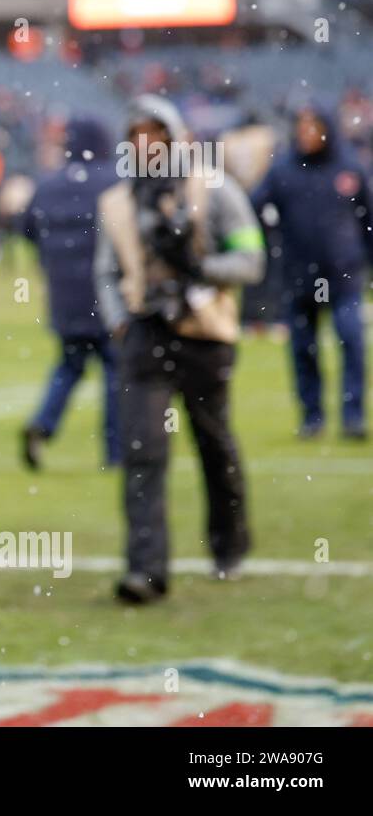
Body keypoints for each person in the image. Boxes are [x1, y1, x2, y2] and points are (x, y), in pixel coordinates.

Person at [95, 95, 265, 604]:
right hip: (145, 335)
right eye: (138, 135)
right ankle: (146, 571)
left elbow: (251, 258)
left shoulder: (215, 190)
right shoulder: (117, 202)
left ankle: (228, 546)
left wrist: (204, 272)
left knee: (214, 443)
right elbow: (106, 272)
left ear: (175, 138)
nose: (146, 144)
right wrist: (120, 322)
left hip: (204, 334)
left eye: (156, 134)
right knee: (144, 452)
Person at [251, 105, 373, 439]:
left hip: (344, 275)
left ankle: (352, 418)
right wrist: (268, 248)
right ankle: (312, 417)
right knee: (303, 349)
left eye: (313, 126)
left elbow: (368, 219)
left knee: (351, 342)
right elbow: (254, 209)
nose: (306, 133)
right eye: (302, 126)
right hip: (299, 276)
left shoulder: (349, 168)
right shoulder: (282, 171)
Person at [18, 117, 121, 470]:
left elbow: (27, 229)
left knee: (69, 367)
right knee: (115, 370)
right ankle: (115, 452)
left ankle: (43, 424)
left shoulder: (47, 184)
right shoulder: (114, 181)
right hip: (106, 294)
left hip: (64, 295)